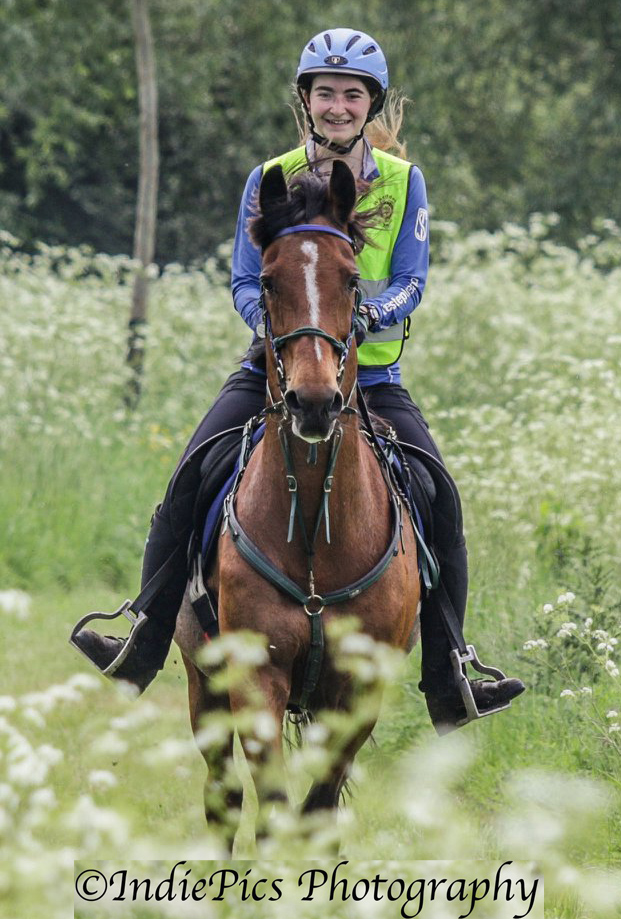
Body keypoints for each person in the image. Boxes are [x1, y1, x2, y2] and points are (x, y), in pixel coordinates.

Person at [73, 27, 524, 732]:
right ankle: (142, 636)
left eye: (351, 94)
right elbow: (243, 280)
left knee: (438, 494)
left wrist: (360, 318)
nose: (338, 105)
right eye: (325, 92)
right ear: (306, 100)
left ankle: (451, 671)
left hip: (369, 376)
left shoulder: (404, 182)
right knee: (190, 474)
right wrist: (282, 331)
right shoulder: (270, 177)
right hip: (277, 369)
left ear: (368, 102)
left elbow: (411, 280)